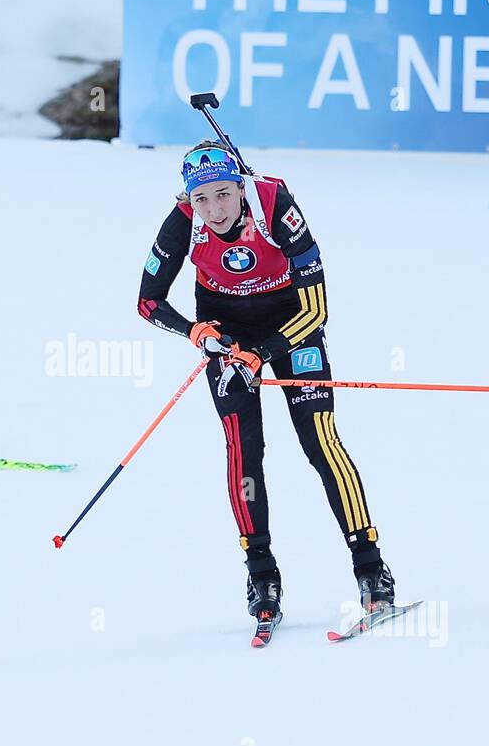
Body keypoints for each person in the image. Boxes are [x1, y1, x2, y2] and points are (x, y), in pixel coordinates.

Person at [137, 141, 396, 624]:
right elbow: (148, 301)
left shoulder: (275, 203)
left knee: (321, 442)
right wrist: (196, 331)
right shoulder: (182, 222)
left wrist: (265, 353)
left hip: (291, 327)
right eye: (201, 199)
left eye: (222, 194)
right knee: (244, 449)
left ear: (241, 187)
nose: (213, 209)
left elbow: (316, 309)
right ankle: (262, 577)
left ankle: (371, 569)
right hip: (227, 334)